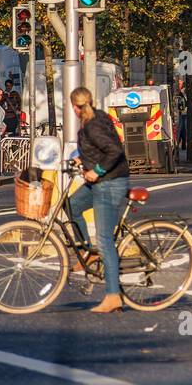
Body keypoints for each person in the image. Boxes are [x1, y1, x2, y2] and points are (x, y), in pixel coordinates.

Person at [67, 86, 131, 314]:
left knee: (105, 239)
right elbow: (97, 148)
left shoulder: (93, 125)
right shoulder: (94, 118)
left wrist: (97, 170)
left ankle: (113, 296)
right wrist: (80, 161)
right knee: (72, 205)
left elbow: (114, 150)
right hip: (99, 181)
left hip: (110, 182)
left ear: (75, 107)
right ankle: (89, 250)